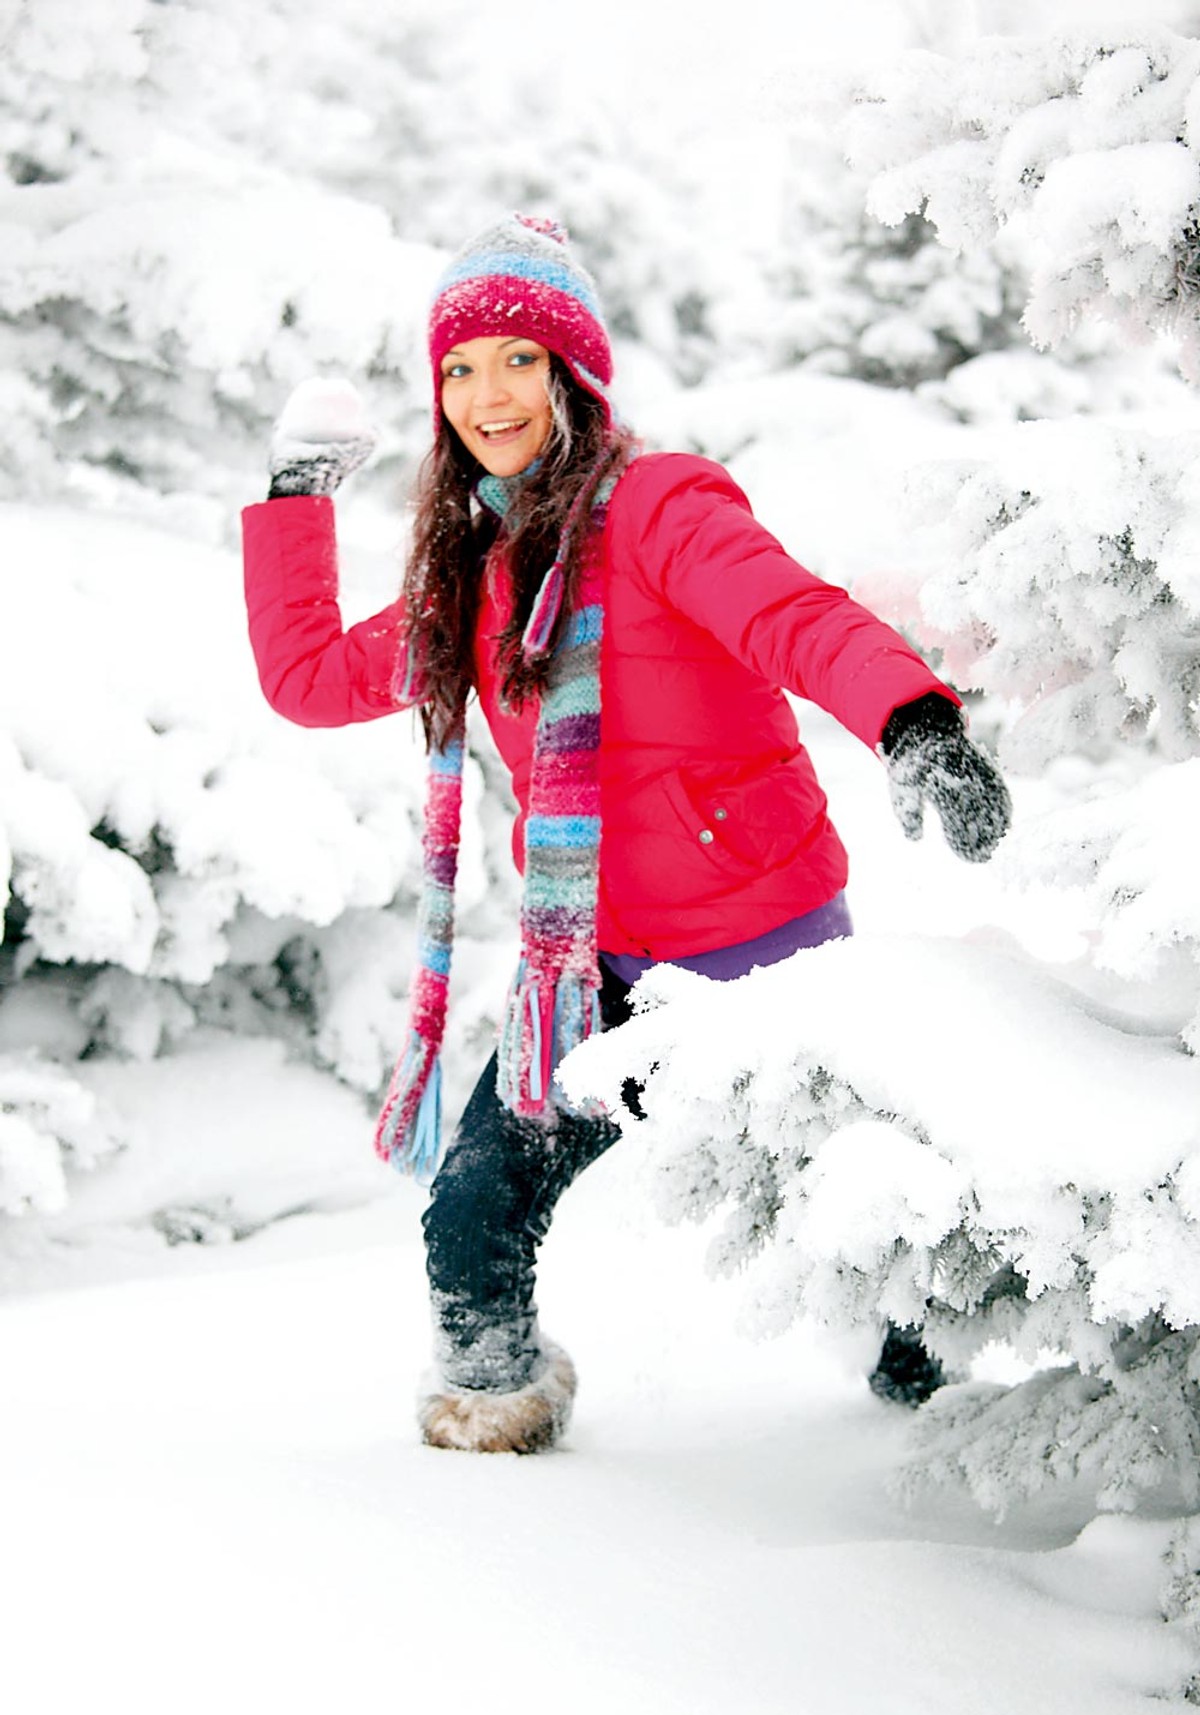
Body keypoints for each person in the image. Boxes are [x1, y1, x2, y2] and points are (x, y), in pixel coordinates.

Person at [242, 214, 1011, 1455]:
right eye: (459, 369)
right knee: (473, 1218)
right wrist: (293, 505)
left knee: (863, 1227)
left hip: (768, 959)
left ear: (573, 376)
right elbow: (312, 680)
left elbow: (793, 617)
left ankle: (947, 1413)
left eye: (518, 361)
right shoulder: (471, 582)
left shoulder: (661, 508)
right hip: (592, 976)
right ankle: (494, 1420)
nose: (488, 395)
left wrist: (911, 717)